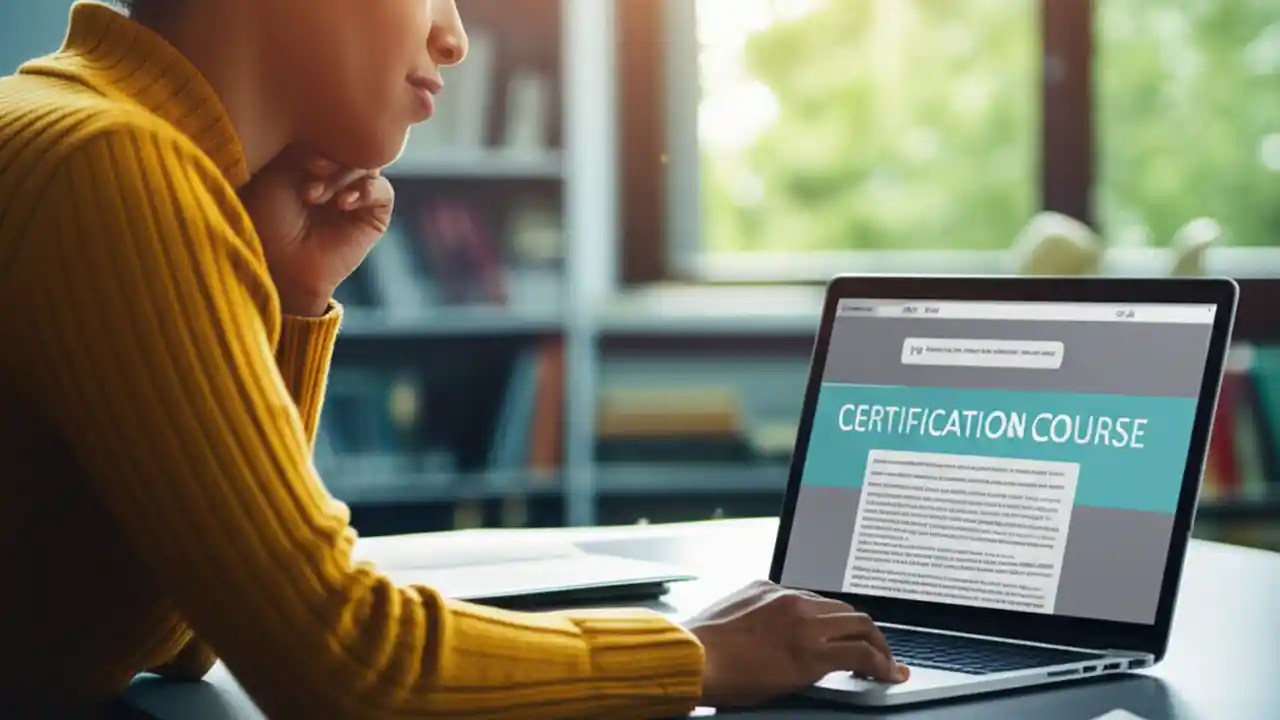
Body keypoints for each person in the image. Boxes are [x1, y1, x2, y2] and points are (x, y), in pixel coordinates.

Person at [0, 1, 908, 717]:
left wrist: (291, 300)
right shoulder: (118, 168)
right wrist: (699, 656)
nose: (456, 37)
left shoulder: (67, 125)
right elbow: (341, 662)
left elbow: (184, 630)